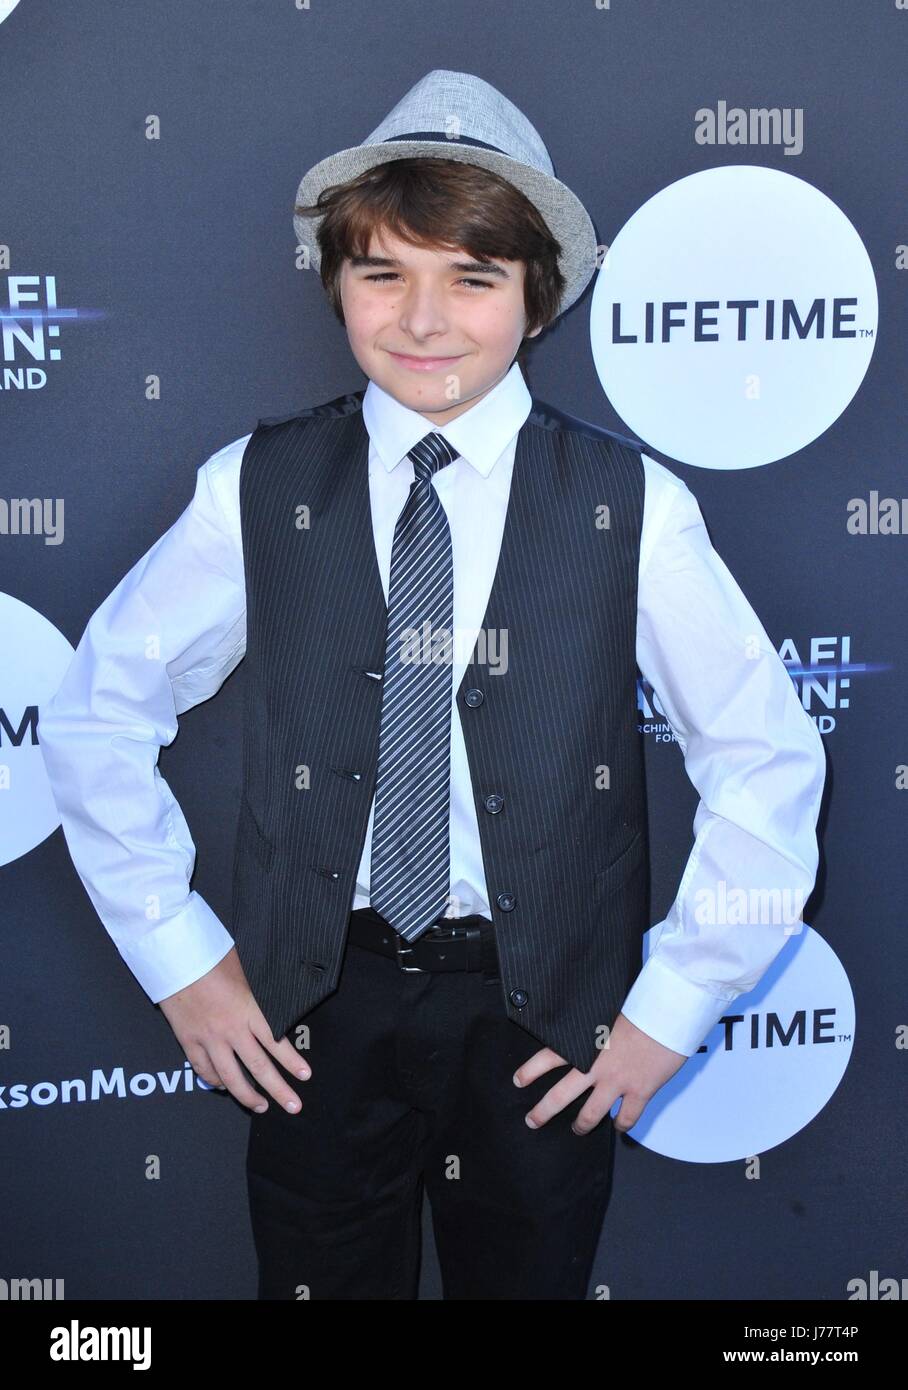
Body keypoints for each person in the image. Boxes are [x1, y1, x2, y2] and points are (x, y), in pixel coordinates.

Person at [38, 69, 826, 1300]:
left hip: (540, 1024)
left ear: (535, 295)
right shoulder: (257, 485)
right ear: (335, 284)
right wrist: (179, 953)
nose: (423, 319)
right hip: (319, 1011)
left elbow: (765, 759)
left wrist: (671, 1007)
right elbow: (95, 712)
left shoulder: (632, 506)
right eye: (382, 273)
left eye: (471, 277)